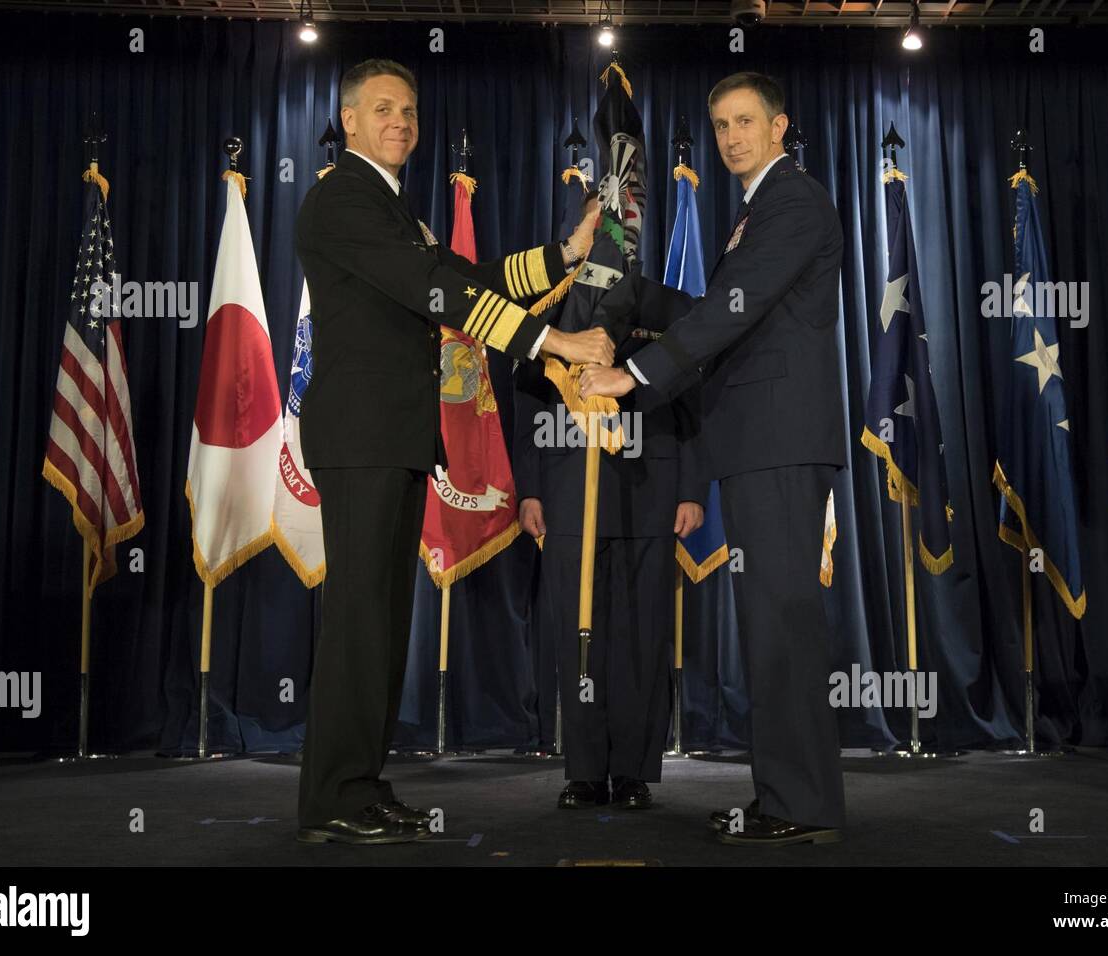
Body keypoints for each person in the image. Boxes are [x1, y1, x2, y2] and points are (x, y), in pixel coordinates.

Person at [293, 58, 611, 846]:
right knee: (360, 623)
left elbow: (465, 275)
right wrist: (555, 340)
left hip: (394, 438)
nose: (401, 121)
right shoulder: (341, 199)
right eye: (383, 109)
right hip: (362, 437)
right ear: (351, 122)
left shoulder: (396, 209)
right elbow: (438, 293)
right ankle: (332, 794)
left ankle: (359, 785)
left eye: (409, 111)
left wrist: (562, 256)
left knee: (382, 623)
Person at [579, 71, 847, 847]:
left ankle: (799, 803)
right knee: (773, 623)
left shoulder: (791, 199)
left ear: (778, 126)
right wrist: (639, 297)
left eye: (743, 122)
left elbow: (734, 310)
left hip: (781, 442)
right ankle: (790, 796)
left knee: (784, 625)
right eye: (720, 124)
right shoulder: (757, 210)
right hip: (762, 442)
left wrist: (630, 375)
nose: (730, 137)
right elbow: (718, 310)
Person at [513, 271, 706, 812]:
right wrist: (530, 490)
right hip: (569, 495)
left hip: (652, 493)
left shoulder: (662, 308)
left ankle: (634, 771)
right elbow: (528, 408)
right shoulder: (554, 312)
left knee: (643, 639)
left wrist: (691, 489)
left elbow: (692, 398)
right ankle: (584, 771)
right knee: (579, 639)